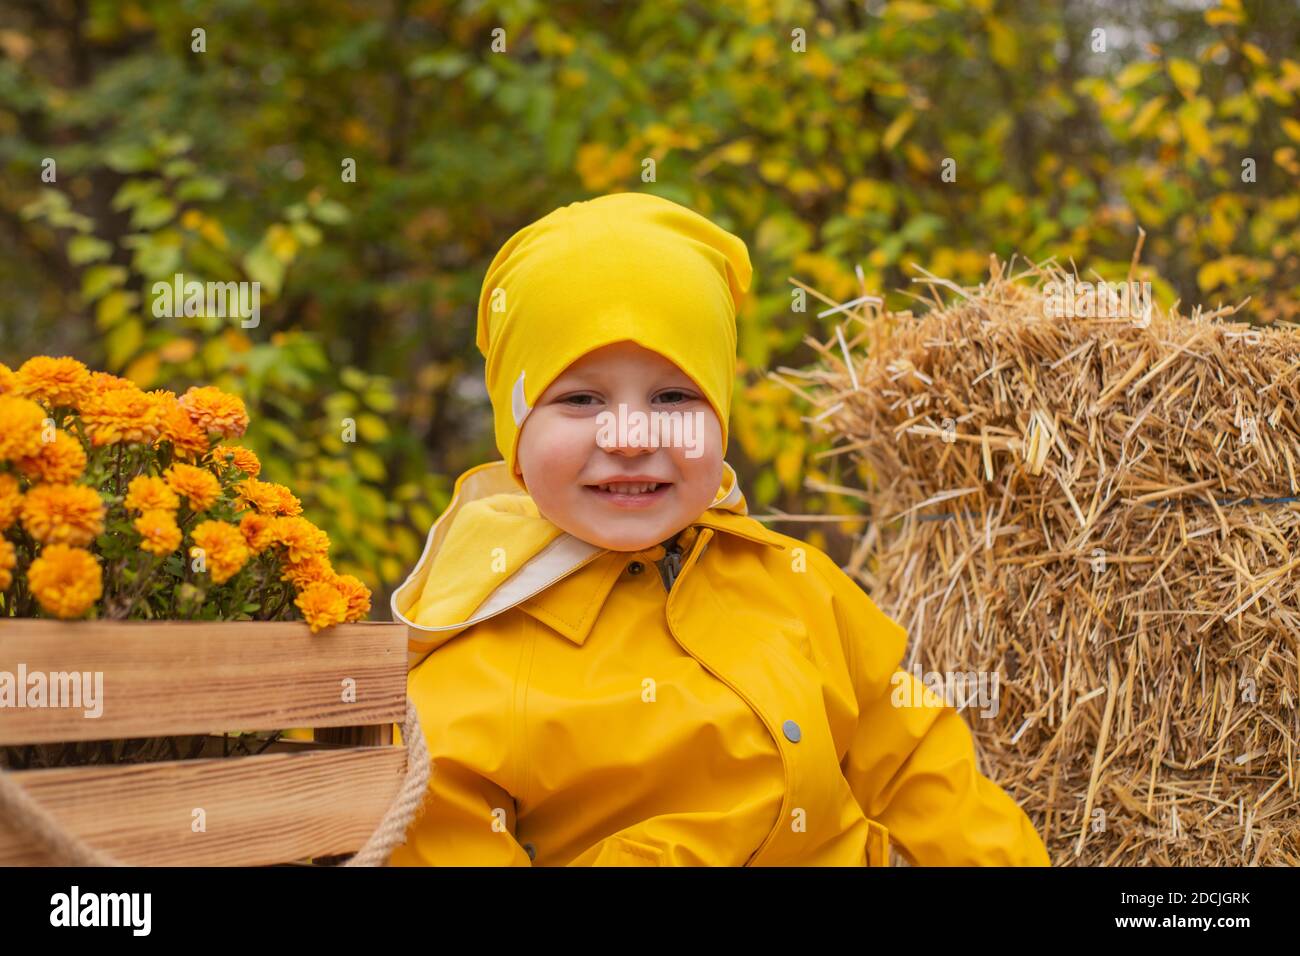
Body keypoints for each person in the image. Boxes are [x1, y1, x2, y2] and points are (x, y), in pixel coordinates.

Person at [387, 191, 1051, 866]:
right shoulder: (462, 672)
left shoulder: (798, 586)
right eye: (581, 399)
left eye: (673, 396)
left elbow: (916, 762)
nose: (630, 435)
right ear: (515, 428)